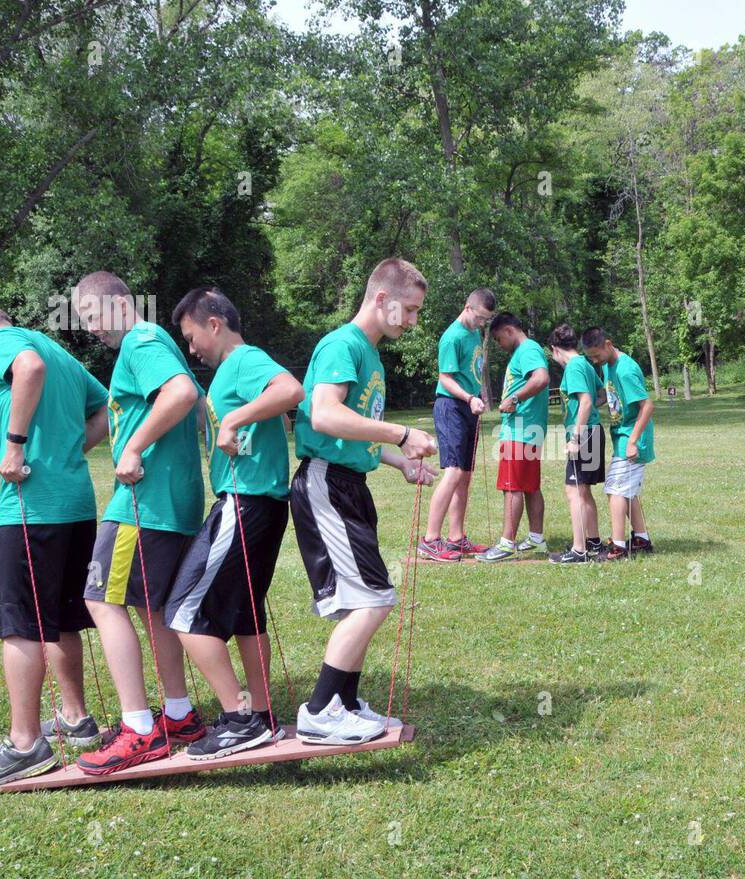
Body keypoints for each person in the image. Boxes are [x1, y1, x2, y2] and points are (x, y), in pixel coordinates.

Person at [0, 303, 109, 788]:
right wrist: (67, 452)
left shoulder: (7, 342)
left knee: (18, 623)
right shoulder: (56, 348)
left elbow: (28, 368)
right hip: (76, 503)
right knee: (60, 617)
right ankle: (77, 719)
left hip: (30, 508)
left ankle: (24, 744)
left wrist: (15, 444)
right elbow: (104, 407)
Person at [289, 257, 438, 745]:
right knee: (373, 598)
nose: (414, 322)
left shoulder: (370, 354)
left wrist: (399, 462)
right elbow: (326, 416)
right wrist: (401, 433)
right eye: (410, 311)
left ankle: (346, 704)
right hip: (325, 484)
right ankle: (319, 711)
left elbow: (353, 433)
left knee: (364, 599)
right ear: (382, 299)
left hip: (349, 482)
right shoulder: (342, 344)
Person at [74, 271, 209, 775]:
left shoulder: (141, 340)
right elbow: (196, 406)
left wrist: (133, 446)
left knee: (101, 600)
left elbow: (179, 394)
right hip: (171, 504)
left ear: (113, 305)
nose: (89, 329)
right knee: (152, 609)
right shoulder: (161, 342)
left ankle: (138, 730)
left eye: (89, 316)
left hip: (141, 504)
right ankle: (178, 715)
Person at [164, 288, 305, 759]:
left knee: (183, 611)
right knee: (246, 614)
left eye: (190, 337)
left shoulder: (244, 361)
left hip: (244, 503)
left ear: (214, 324)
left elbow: (290, 390)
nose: (191, 349)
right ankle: (260, 714)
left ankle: (239, 719)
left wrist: (233, 420)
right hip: (262, 503)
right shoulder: (232, 370)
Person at [419, 288, 496, 562]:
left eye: (486, 320)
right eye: (480, 317)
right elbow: (446, 378)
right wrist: (469, 396)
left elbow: (471, 370)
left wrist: (477, 395)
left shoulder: (474, 332)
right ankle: (430, 540)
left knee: (464, 477)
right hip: (451, 406)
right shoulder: (451, 337)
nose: (482, 324)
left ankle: (456, 539)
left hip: (468, 406)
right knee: (452, 472)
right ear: (467, 307)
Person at [477, 313, 551, 563]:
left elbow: (541, 378)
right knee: (530, 487)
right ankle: (536, 539)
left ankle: (507, 544)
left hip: (520, 429)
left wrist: (515, 398)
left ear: (509, 330)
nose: (499, 345)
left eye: (499, 339)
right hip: (528, 429)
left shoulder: (527, 349)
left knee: (512, 487)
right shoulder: (528, 351)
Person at [581, 328, 655, 558]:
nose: (595, 361)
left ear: (608, 344)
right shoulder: (606, 365)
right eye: (590, 357)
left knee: (615, 490)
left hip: (631, 439)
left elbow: (647, 406)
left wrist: (632, 441)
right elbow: (610, 396)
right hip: (621, 435)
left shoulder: (625, 370)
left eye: (596, 355)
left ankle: (619, 547)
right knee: (627, 491)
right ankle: (641, 539)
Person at [546, 324, 606, 563]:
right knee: (583, 491)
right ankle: (593, 543)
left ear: (555, 349)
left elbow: (586, 402)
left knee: (574, 492)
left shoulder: (573, 367)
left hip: (584, 436)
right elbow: (600, 395)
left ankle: (579, 550)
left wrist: (575, 437)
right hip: (593, 431)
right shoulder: (586, 364)